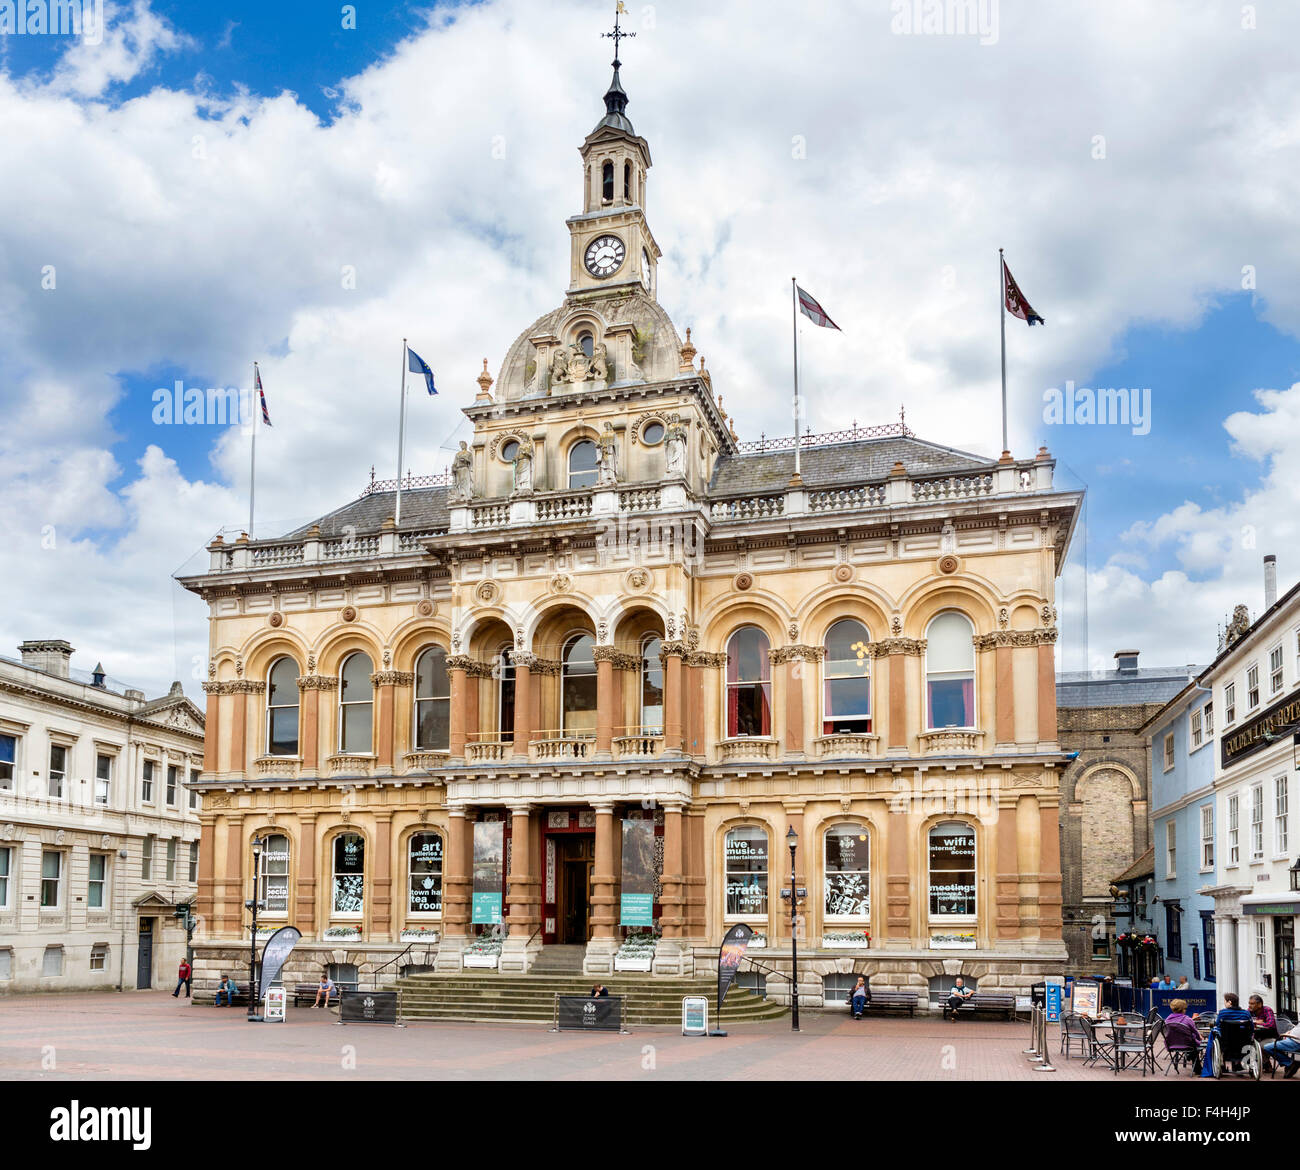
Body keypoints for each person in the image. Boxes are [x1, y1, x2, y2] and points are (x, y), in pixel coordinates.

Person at [1195, 992, 1254, 1077]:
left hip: (1226, 1042)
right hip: (1243, 1042)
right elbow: (1251, 1028)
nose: (1224, 1003)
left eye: (1225, 1001)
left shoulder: (1223, 1013)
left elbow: (1218, 1025)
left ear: (1229, 1002)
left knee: (1216, 1034)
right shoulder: (1246, 1013)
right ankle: (1238, 1064)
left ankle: (1222, 1064)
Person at [1163, 999, 1203, 1075]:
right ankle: (1197, 1068)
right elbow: (1195, 1032)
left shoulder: (1167, 1020)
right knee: (1195, 1045)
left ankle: (1189, 1056)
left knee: (1192, 1043)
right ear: (1183, 1010)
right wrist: (1199, 1037)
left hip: (1172, 1044)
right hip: (1188, 1044)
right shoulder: (1188, 1019)